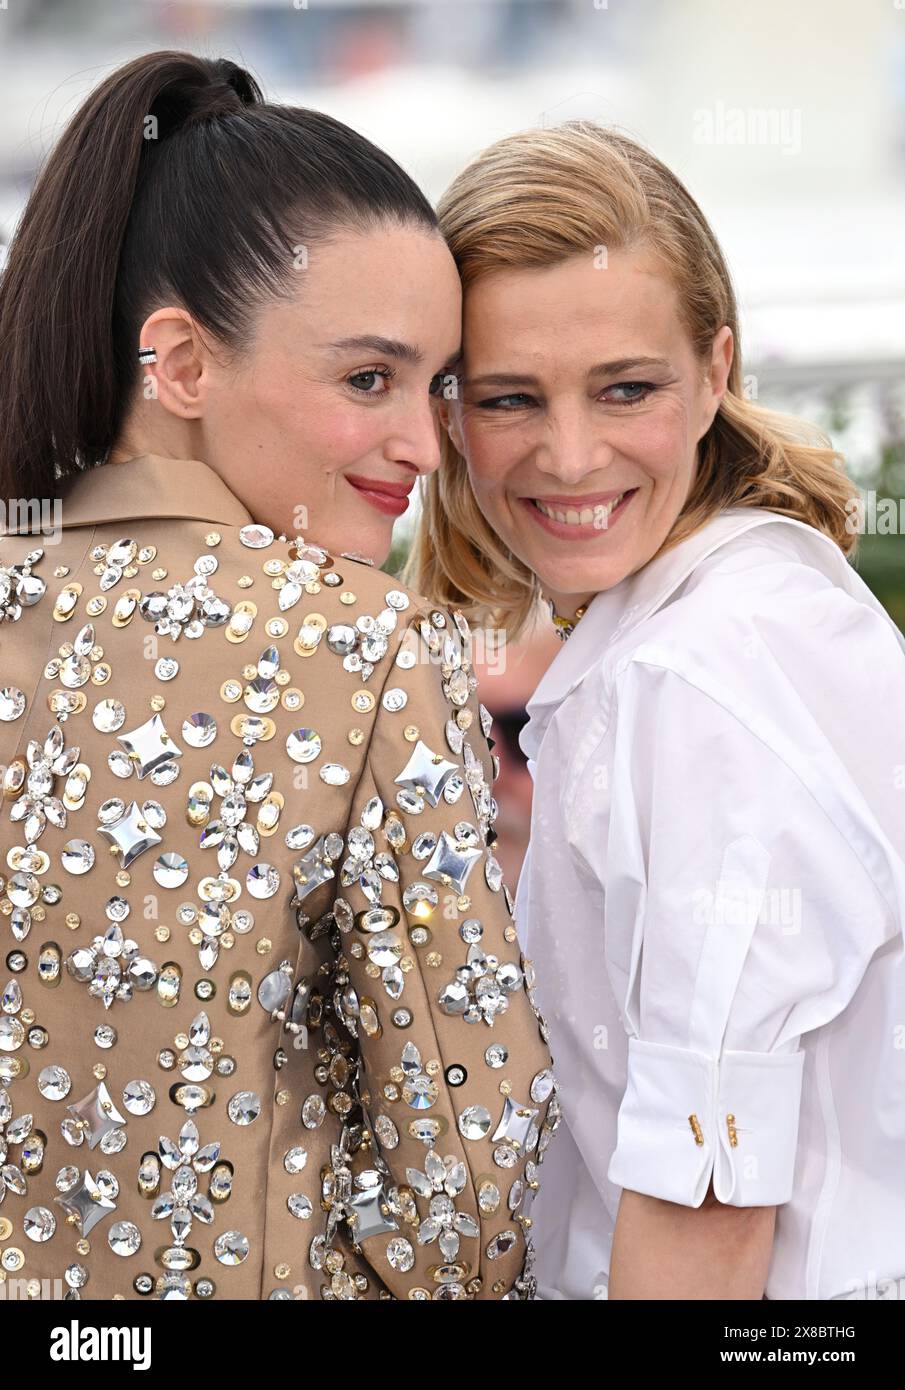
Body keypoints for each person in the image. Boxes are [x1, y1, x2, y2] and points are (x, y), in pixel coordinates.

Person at [0, 51, 554, 1302]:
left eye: (439, 385)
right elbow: (472, 1165)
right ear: (182, 365)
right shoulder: (361, 647)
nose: (422, 443)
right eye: (368, 378)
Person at [408, 120, 905, 1300]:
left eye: (624, 388)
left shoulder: (693, 675)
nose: (569, 457)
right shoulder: (758, 608)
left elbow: (705, 1208)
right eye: (508, 398)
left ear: (715, 370)